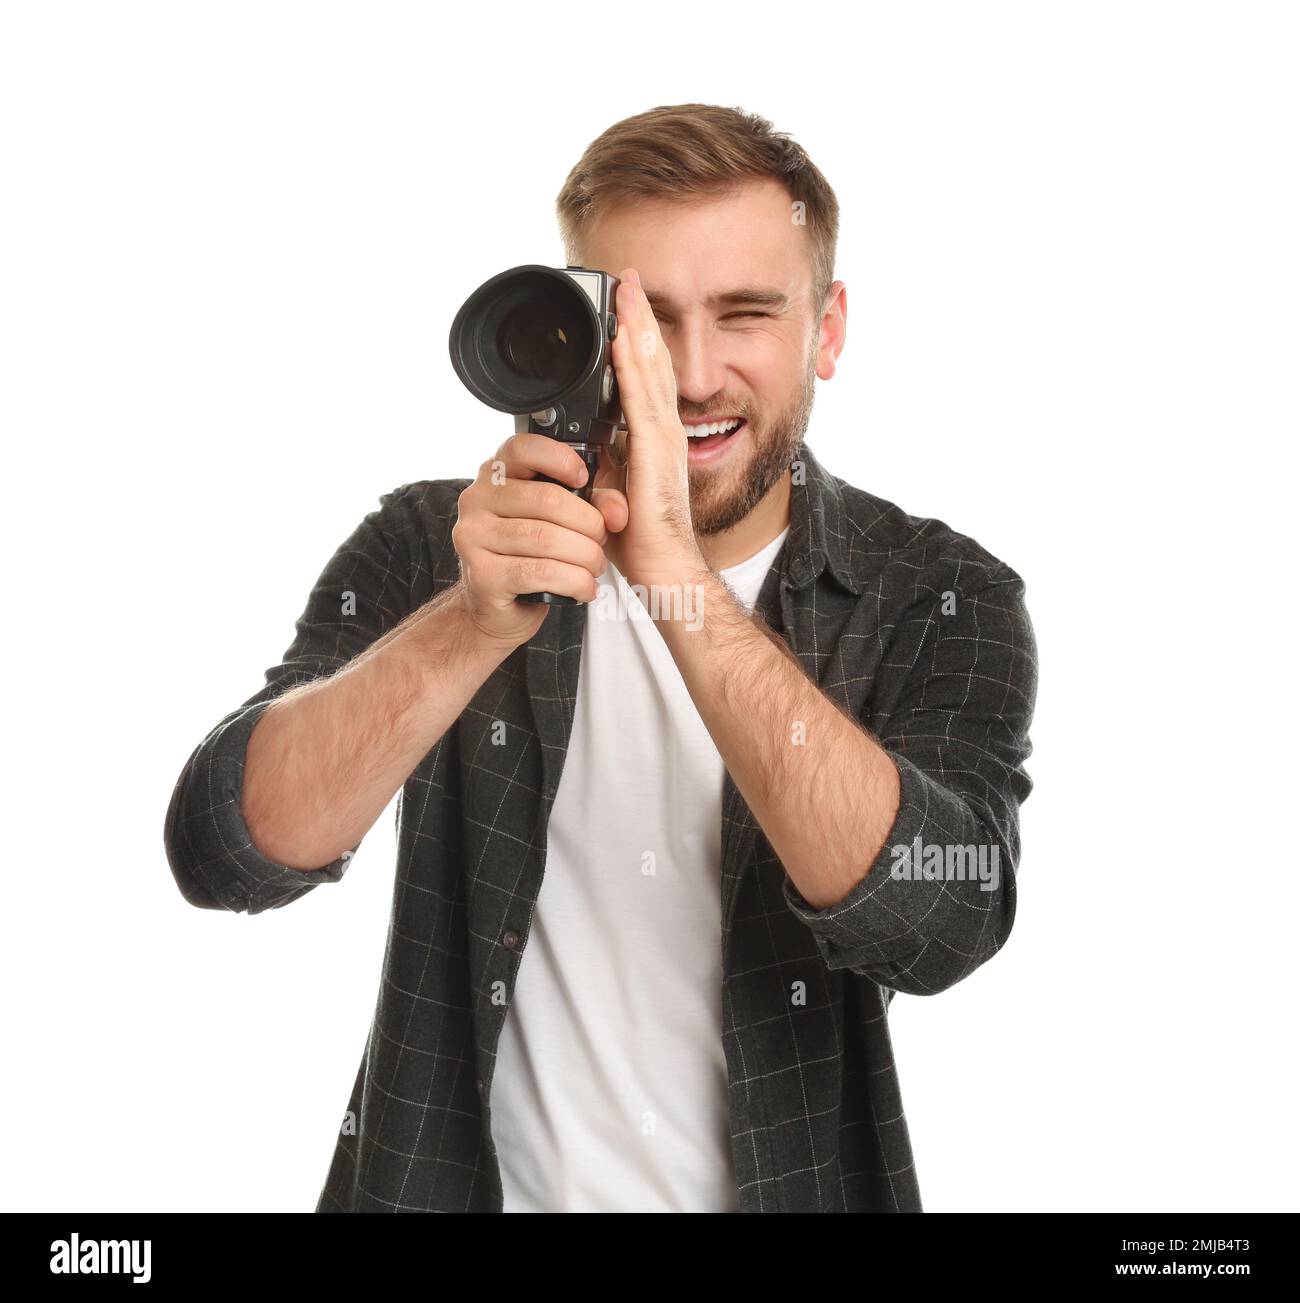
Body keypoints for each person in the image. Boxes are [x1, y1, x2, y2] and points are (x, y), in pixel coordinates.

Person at [164, 102, 1038, 1213]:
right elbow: (224, 854)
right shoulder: (433, 545)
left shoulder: (936, 593)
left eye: (746, 314)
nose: (691, 371)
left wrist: (672, 569)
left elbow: (941, 920)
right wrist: (467, 625)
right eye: (646, 319)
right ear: (571, 327)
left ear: (826, 328)